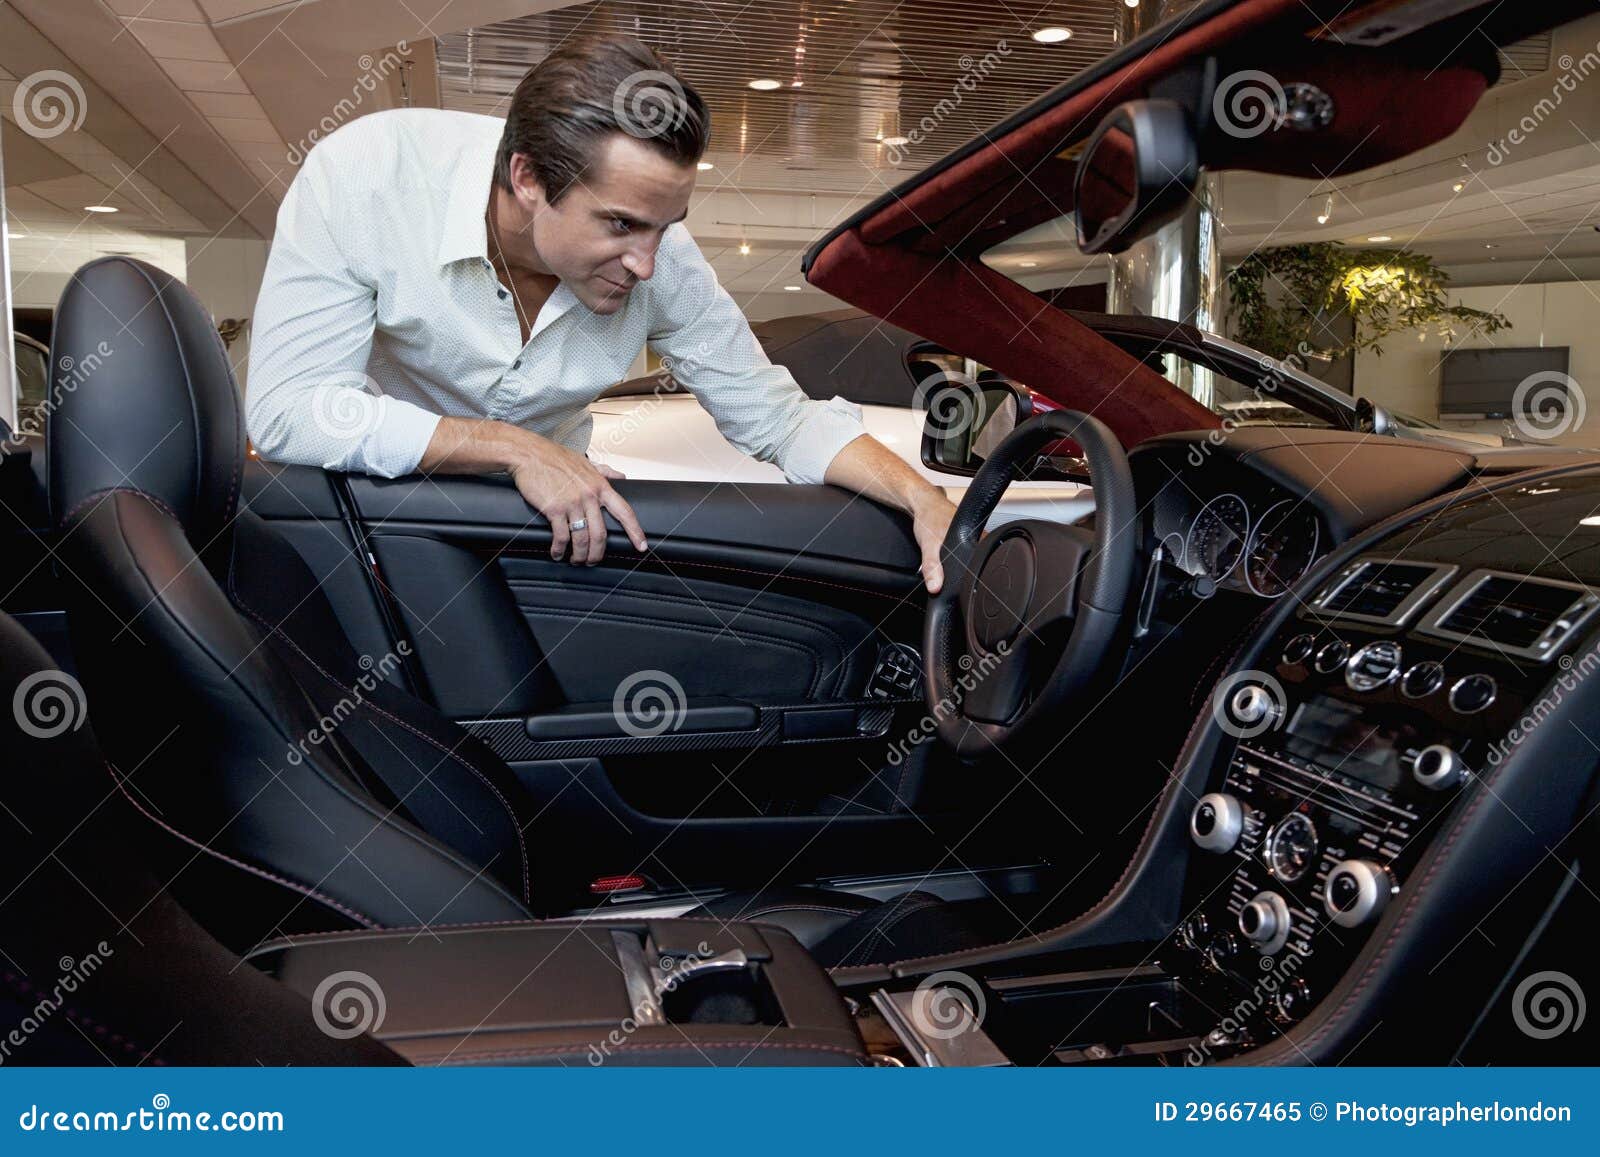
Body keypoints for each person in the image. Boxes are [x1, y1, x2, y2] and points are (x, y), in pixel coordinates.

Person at [247, 35, 957, 590]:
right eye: (621, 224)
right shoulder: (369, 178)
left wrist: (921, 497)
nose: (646, 263)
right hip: (373, 526)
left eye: (666, 226)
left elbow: (780, 419)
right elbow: (289, 410)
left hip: (545, 536)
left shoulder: (666, 265)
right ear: (528, 178)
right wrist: (513, 447)